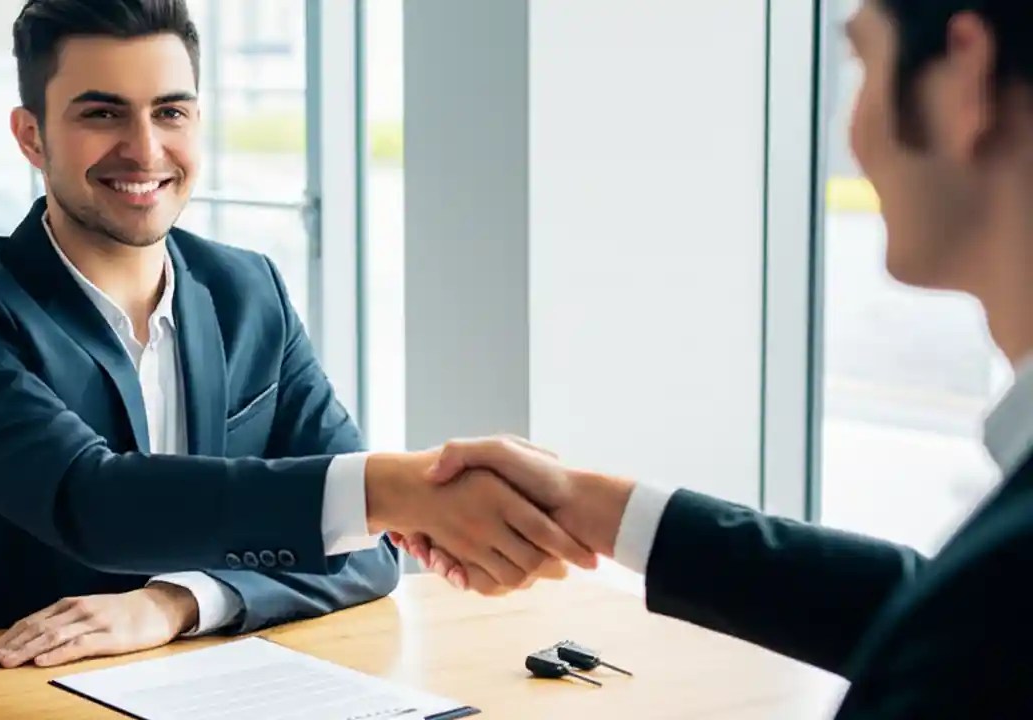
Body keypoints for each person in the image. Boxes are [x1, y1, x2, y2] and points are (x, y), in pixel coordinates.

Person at [0, 0, 595, 669]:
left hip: (207, 681)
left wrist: (181, 600)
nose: (144, 148)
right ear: (31, 135)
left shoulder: (249, 292)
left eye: (171, 112)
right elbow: (91, 502)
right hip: (2, 689)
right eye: (102, 113)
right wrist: (391, 486)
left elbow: (366, 551)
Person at [395, 1, 1033, 716]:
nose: (851, 137)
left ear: (965, 80)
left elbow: (962, 628)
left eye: (861, 63)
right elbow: (923, 604)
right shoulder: (993, 600)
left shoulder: (987, 618)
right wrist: (597, 508)